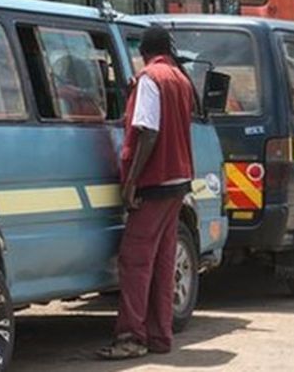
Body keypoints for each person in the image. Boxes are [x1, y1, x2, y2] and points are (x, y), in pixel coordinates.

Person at [98, 26, 195, 360]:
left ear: (143, 51)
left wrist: (131, 183)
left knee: (135, 260)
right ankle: (159, 336)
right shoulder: (181, 79)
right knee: (163, 262)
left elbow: (148, 132)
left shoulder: (149, 79)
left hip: (154, 183)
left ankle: (130, 337)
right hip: (177, 182)